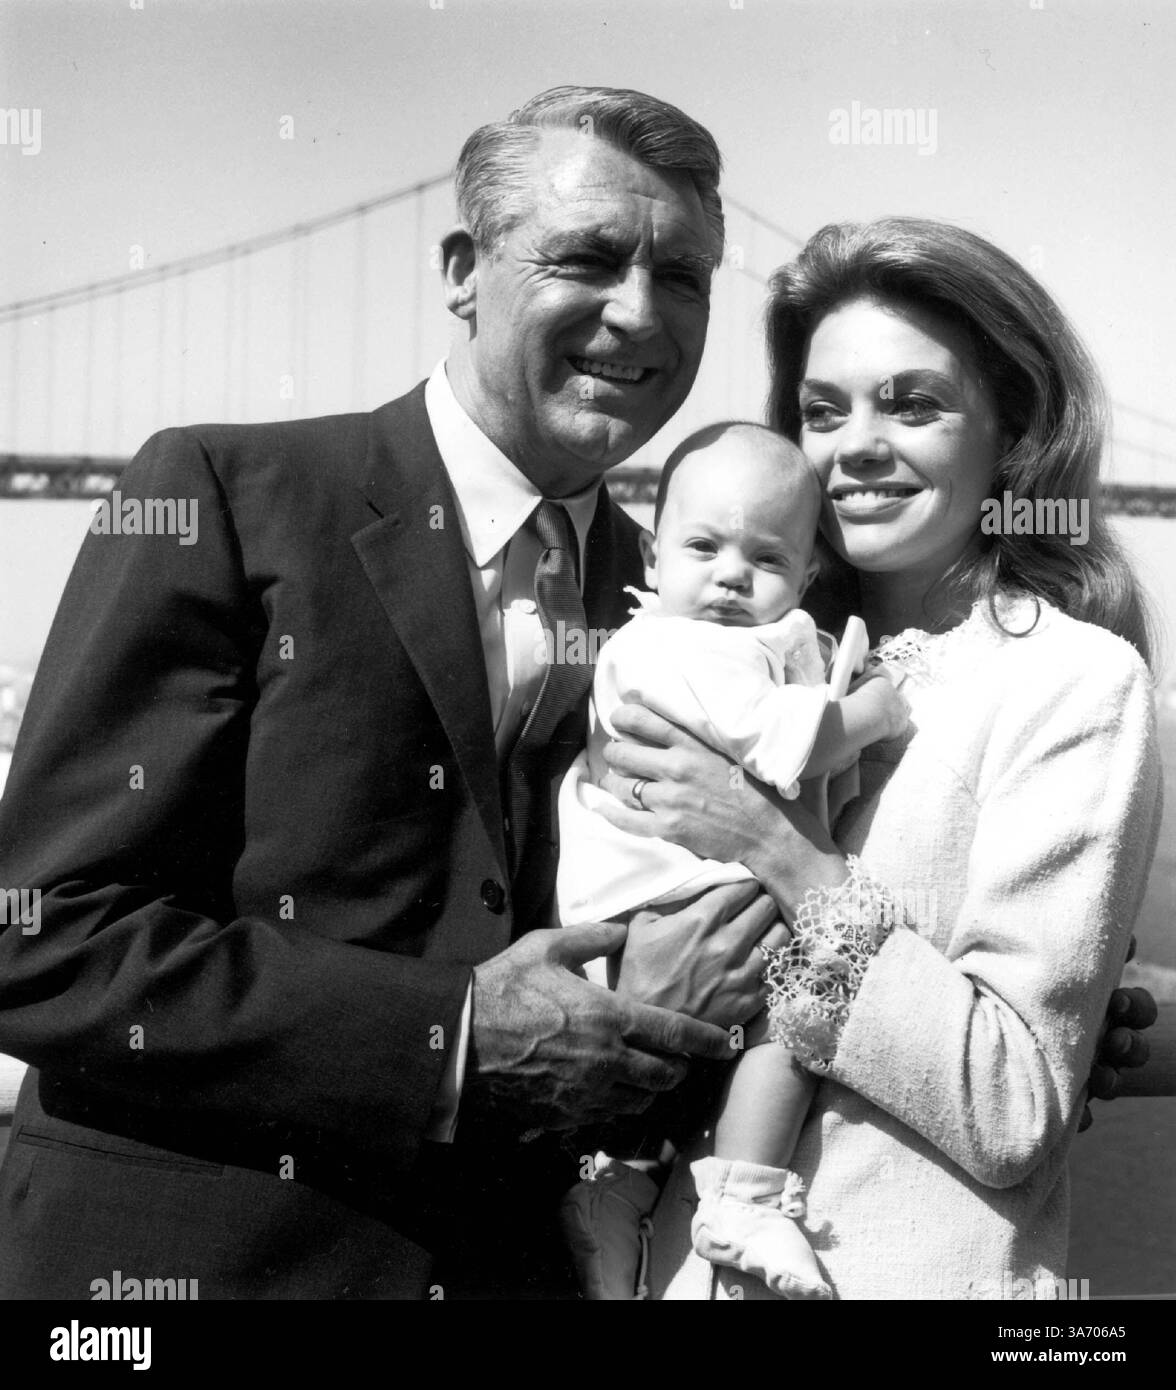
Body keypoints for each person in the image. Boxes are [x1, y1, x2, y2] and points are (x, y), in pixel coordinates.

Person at [0, 86, 788, 1301]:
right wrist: (455, 1034)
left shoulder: (689, 605)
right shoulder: (225, 492)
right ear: (465, 270)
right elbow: (43, 934)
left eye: (682, 277)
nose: (639, 313)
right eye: (587, 258)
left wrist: (1027, 1003)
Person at [598, 218, 1164, 1299]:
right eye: (822, 411)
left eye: (912, 403)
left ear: (1012, 433)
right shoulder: (744, 661)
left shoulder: (1073, 684)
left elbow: (1009, 1105)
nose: (854, 444)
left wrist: (778, 851)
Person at [557, 421, 906, 1298]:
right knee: (794, 1020)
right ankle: (723, 1200)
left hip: (688, 898)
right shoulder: (670, 646)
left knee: (785, 1029)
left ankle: (675, 1198)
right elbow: (788, 745)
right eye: (704, 547)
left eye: (767, 561)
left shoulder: (754, 642)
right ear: (654, 548)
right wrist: (880, 712)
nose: (730, 576)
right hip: (657, 903)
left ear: (807, 574)